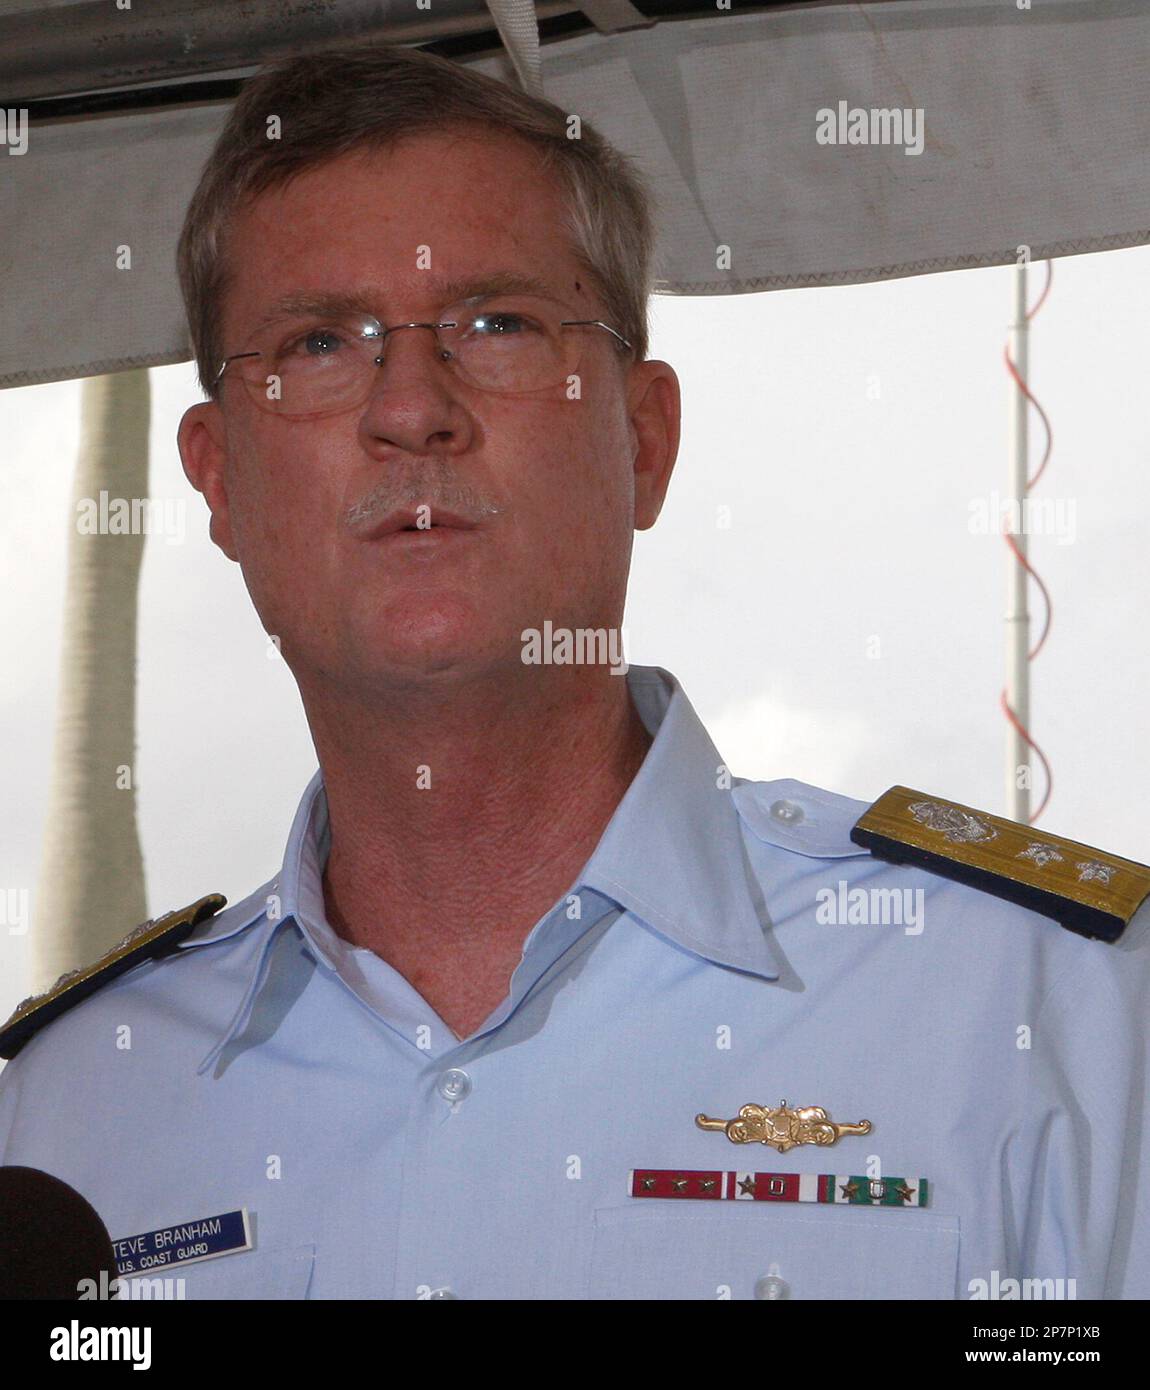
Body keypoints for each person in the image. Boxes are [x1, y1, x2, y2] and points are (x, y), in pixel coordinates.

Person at [1, 43, 1147, 1302]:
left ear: (643, 440)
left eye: (497, 323)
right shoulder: (60, 1123)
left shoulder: (1057, 1019)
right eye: (321, 341)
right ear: (218, 482)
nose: (411, 408)